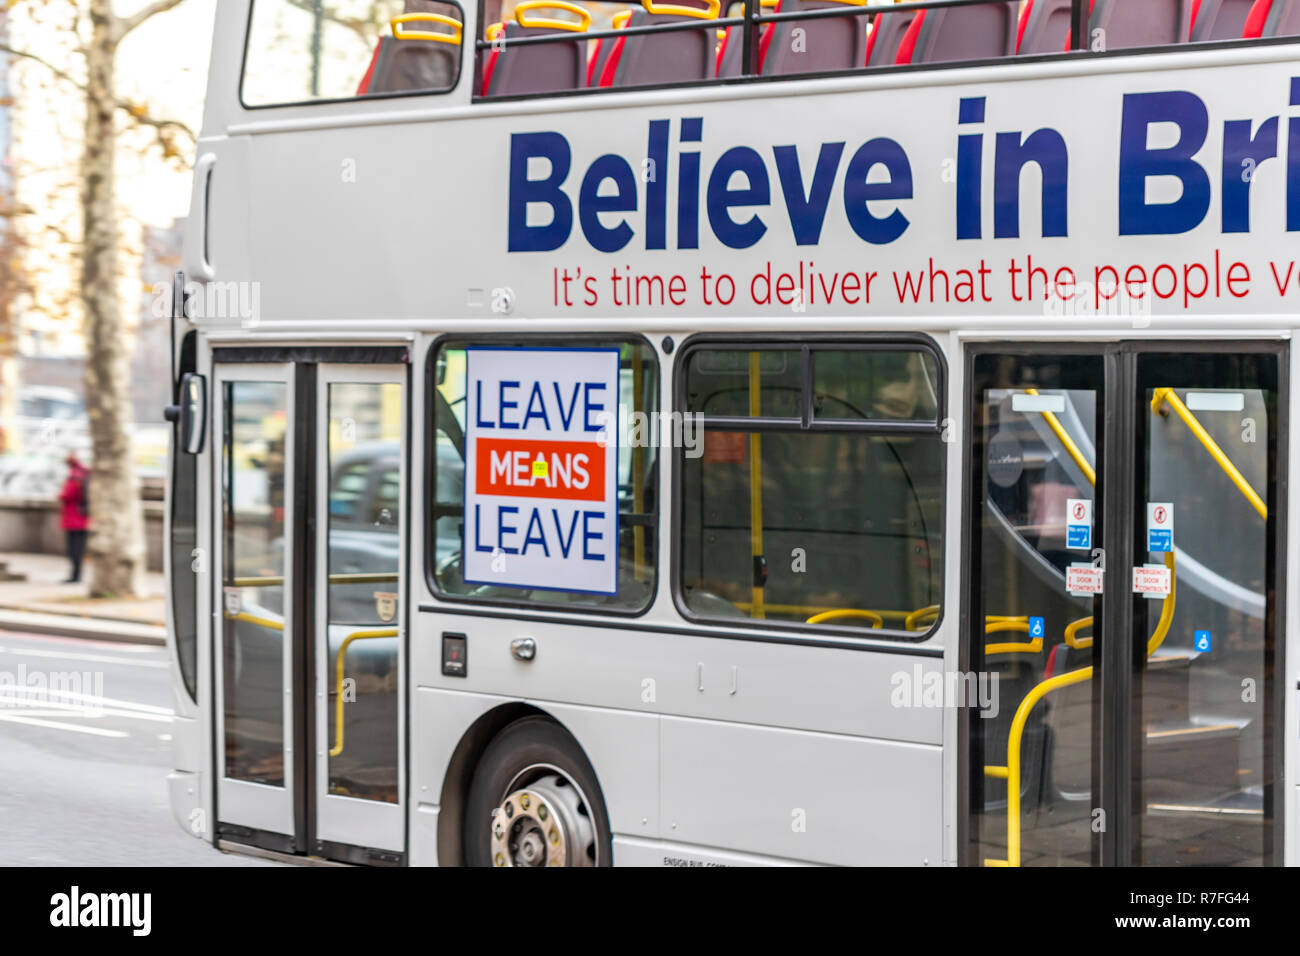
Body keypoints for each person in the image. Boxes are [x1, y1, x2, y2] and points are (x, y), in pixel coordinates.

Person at [59, 454, 90, 583]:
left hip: (74, 518)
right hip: (82, 518)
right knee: (78, 548)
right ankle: (76, 575)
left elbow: (68, 495)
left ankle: (75, 576)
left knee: (74, 549)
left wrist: (61, 494)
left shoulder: (75, 476)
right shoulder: (84, 473)